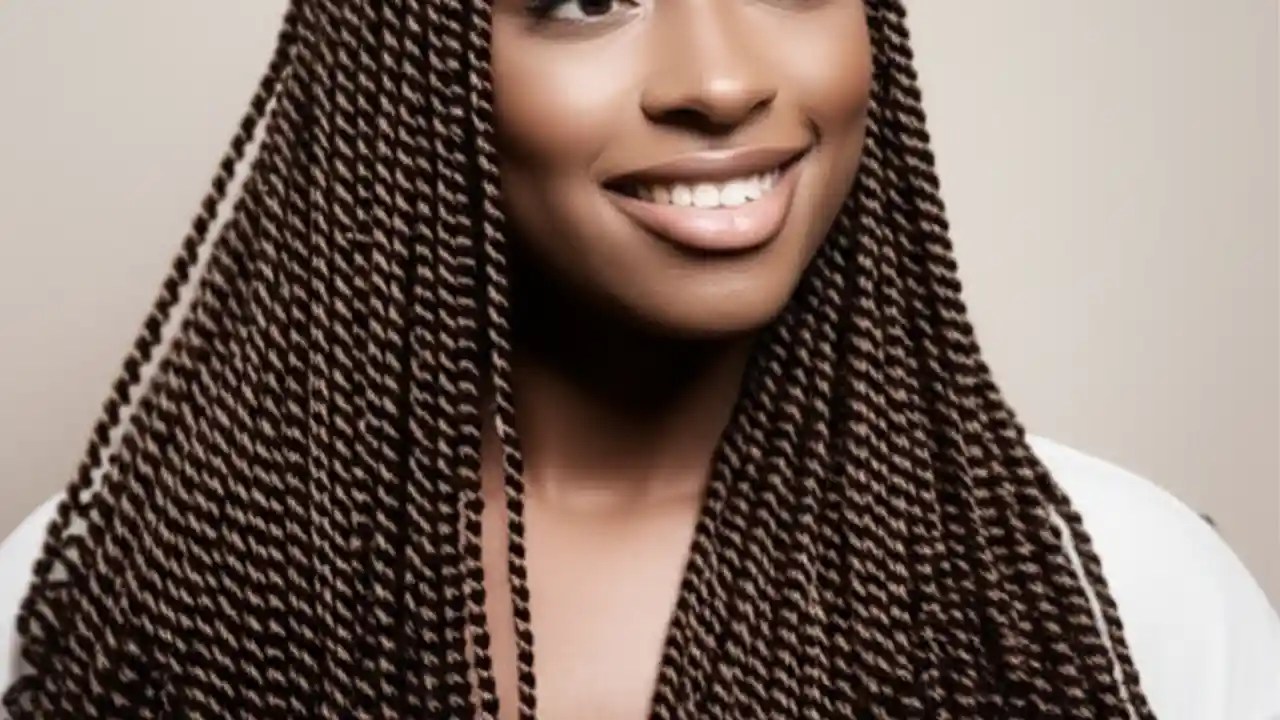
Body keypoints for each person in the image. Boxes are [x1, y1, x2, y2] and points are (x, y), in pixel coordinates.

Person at [1, 0, 1277, 717]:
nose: (718, 80)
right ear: (401, 69)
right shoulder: (111, 605)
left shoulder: (1110, 591)